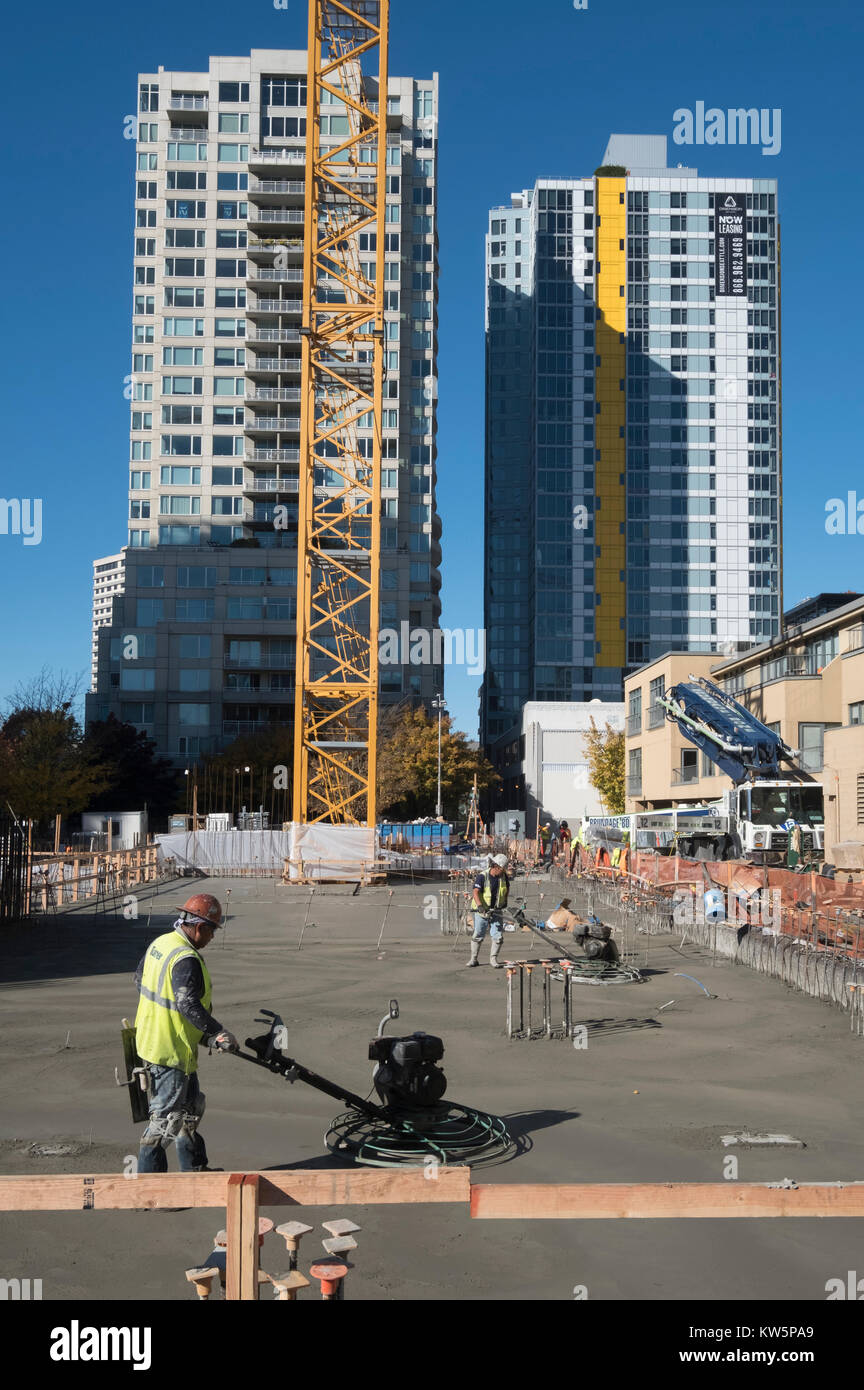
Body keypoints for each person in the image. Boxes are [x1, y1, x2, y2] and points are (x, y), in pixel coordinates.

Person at [133, 893, 237, 1174]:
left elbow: (139, 979)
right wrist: (217, 1032)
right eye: (212, 930)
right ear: (200, 927)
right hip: (169, 1051)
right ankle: (151, 1193)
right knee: (165, 1121)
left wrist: (198, 1034)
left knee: (191, 1110)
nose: (212, 937)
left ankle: (194, 1171)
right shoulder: (185, 958)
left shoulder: (161, 943)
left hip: (156, 1041)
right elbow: (187, 1003)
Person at [467, 854, 510, 969]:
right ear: (496, 866)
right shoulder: (483, 876)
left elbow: (506, 888)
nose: (503, 871)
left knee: (498, 936)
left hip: (496, 910)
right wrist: (480, 906)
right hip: (482, 911)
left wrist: (505, 901)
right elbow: (475, 892)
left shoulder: (503, 877)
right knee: (478, 935)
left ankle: (493, 959)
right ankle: (473, 959)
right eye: (502, 868)